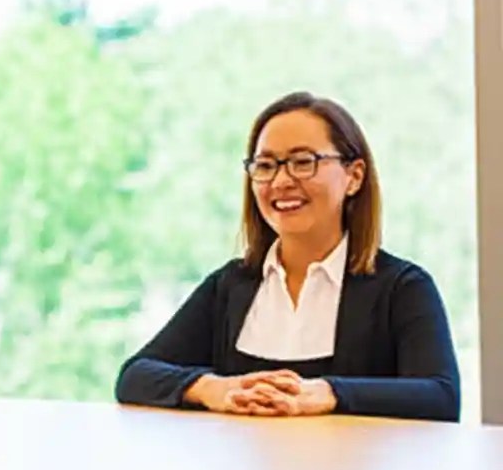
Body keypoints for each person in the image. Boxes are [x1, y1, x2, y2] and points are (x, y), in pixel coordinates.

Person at [115, 91, 460, 422]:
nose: (281, 181)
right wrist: (212, 389)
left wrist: (329, 393)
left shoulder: (402, 287)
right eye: (265, 165)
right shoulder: (232, 285)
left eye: (302, 162)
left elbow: (440, 397)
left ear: (354, 176)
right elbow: (135, 376)